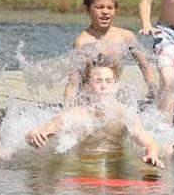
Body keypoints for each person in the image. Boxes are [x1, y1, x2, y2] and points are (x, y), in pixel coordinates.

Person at [27, 58, 165, 168]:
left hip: (117, 165)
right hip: (82, 166)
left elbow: (149, 142)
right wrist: (33, 136)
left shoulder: (124, 114)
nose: (104, 86)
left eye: (108, 81)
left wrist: (152, 154)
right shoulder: (74, 115)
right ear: (87, 87)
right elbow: (40, 133)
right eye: (98, 81)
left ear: (115, 86)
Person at [64, 0, 157, 103]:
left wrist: (153, 91)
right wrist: (68, 110)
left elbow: (145, 67)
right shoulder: (83, 42)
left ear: (115, 10)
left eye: (110, 7)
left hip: (114, 96)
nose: (105, 12)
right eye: (100, 7)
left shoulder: (126, 37)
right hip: (89, 98)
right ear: (87, 9)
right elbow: (73, 82)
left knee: (126, 91)